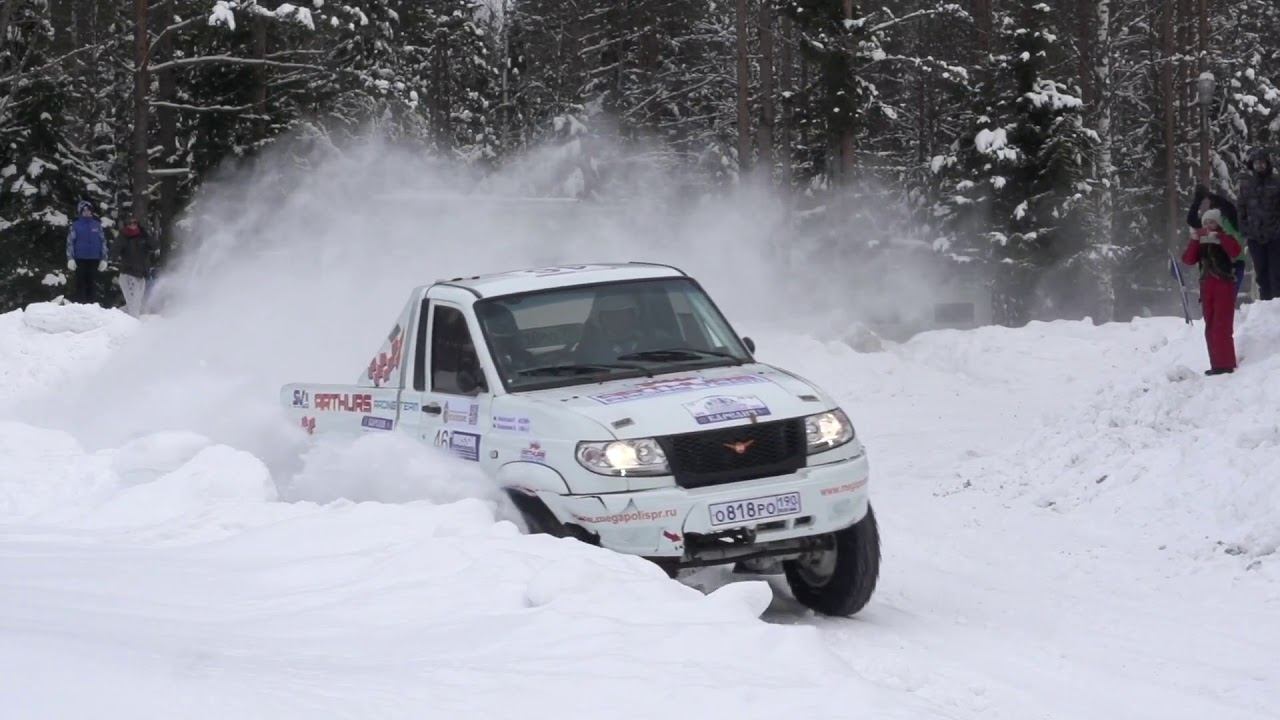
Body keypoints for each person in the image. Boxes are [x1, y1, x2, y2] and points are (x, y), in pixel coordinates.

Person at [1182, 208, 1243, 375]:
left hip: (1223, 284)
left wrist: (1220, 237)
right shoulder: (1201, 241)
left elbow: (1236, 251)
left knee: (1221, 326)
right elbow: (1188, 259)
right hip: (1206, 286)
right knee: (1210, 327)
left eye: (1212, 222)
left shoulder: (1225, 237)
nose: (1209, 225)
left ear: (1218, 224)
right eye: (1206, 222)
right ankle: (1216, 364)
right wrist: (1194, 240)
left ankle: (1226, 364)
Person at [1186, 184, 1246, 293]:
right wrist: (1198, 199)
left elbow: (1230, 208)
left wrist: (1210, 195)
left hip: (1234, 264)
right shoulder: (1208, 223)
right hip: (1211, 265)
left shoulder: (1231, 221)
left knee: (1227, 294)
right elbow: (1191, 220)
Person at [1238, 148, 1280, 300]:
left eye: (1262, 163)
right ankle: (1265, 303)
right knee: (1261, 273)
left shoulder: (1276, 183)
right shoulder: (1247, 185)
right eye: (1256, 163)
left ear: (1268, 163)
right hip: (1255, 237)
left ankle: (1277, 303)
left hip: (1275, 236)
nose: (1259, 166)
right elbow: (1241, 208)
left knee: (1276, 272)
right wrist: (1245, 229)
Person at [114, 215, 159, 317]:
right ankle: (131, 322)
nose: (132, 225)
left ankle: (115, 317)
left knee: (137, 303)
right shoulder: (123, 237)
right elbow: (115, 250)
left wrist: (146, 235)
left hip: (141, 274)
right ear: (126, 225)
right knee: (133, 304)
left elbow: (155, 245)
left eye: (134, 223)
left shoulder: (143, 236)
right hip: (128, 274)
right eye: (129, 223)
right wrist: (114, 257)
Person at [65, 200, 108, 305]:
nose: (87, 212)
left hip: (94, 259)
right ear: (80, 212)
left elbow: (103, 241)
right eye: (84, 210)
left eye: (88, 210)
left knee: (91, 283)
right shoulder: (76, 225)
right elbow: (70, 242)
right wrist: (70, 258)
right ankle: (81, 305)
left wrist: (104, 258)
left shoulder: (97, 225)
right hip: (80, 258)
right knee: (80, 283)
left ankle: (91, 306)